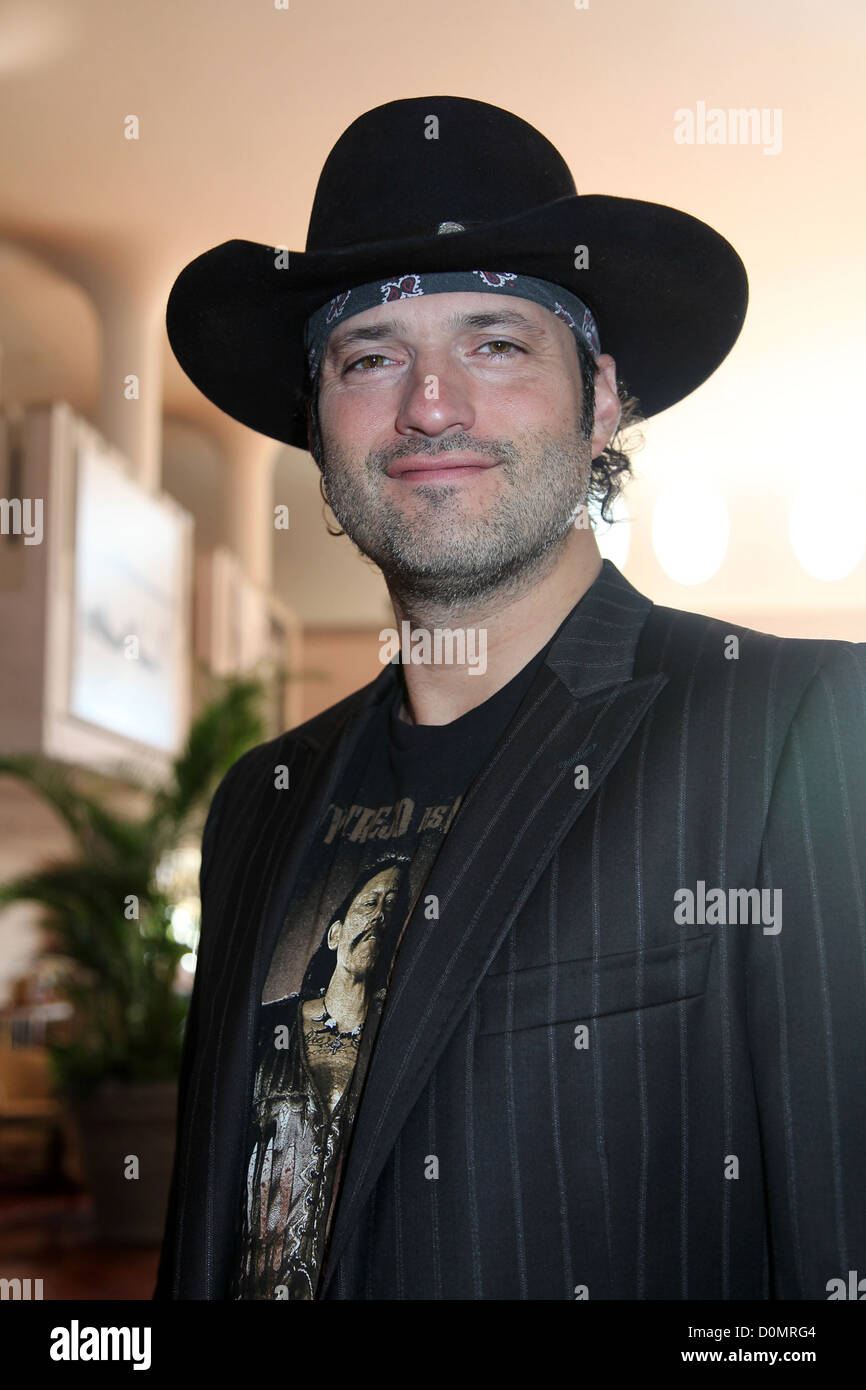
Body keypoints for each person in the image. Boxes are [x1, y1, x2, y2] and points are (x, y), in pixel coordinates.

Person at [155, 95, 866, 1301]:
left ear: (599, 402)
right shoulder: (255, 803)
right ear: (318, 436)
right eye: (370, 356)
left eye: (492, 342)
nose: (429, 403)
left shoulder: (794, 731)